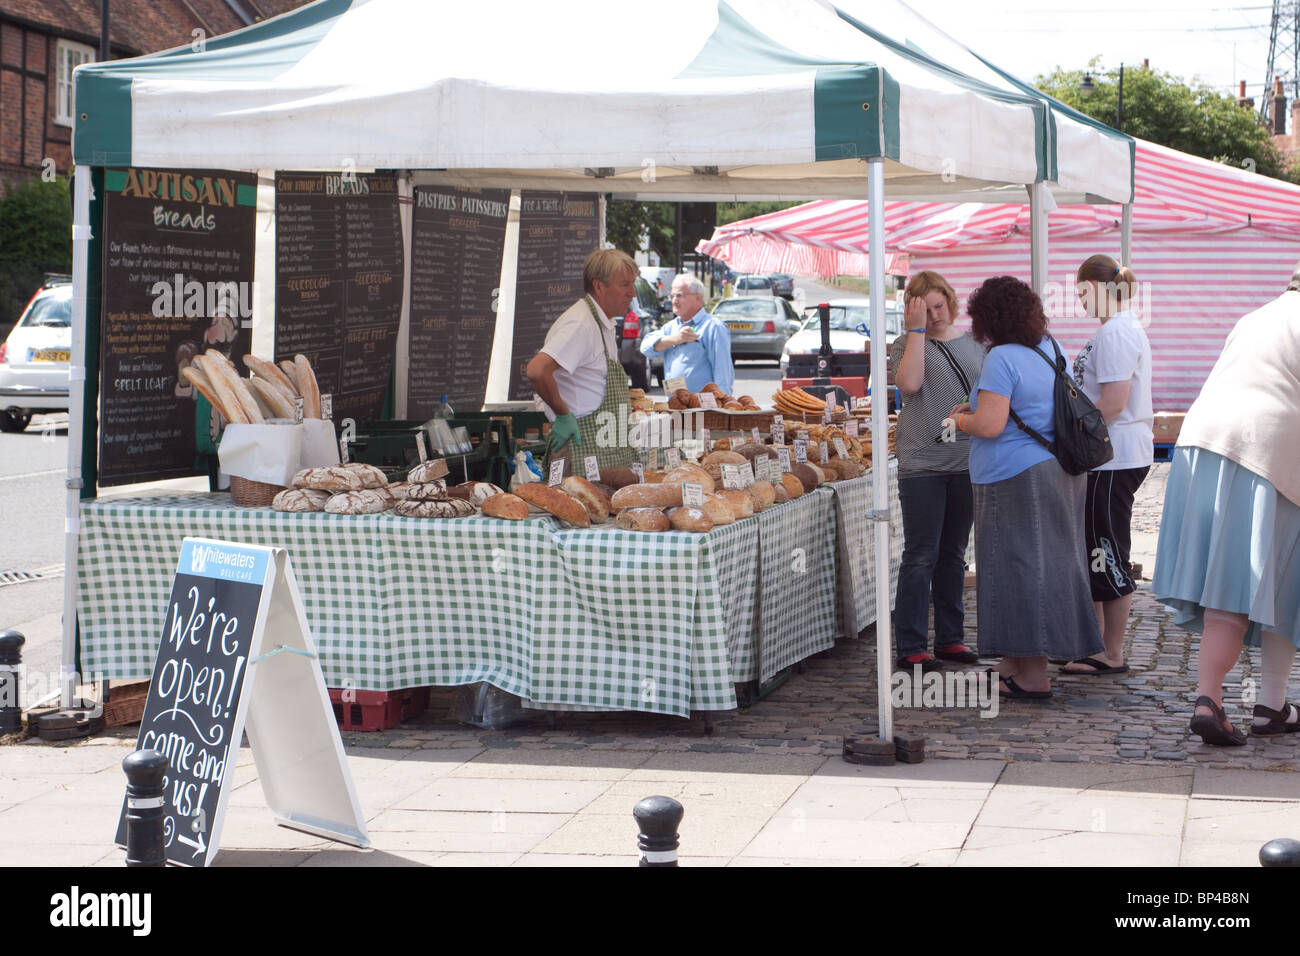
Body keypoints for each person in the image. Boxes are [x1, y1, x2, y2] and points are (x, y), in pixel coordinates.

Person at [1152, 265, 1300, 745]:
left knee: (1235, 583)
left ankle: (1224, 698)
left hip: (1202, 440)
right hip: (1266, 447)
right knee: (1276, 581)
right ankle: (1255, 702)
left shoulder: (1256, 316)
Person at [950, 276, 1103, 699]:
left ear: (988, 320)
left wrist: (961, 418)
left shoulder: (1001, 358)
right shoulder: (1049, 348)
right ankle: (1013, 662)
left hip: (1013, 475)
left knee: (1019, 568)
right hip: (1056, 469)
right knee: (1041, 563)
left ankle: (1033, 674)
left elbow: (991, 424)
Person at [887, 271, 985, 671]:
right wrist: (914, 332)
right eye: (924, 309)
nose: (934, 315)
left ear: (950, 298)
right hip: (922, 463)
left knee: (953, 555)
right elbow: (909, 385)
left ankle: (950, 638)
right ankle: (910, 644)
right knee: (920, 554)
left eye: (938, 305)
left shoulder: (977, 343)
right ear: (912, 309)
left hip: (966, 461)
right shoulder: (904, 344)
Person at [1062, 255, 1154, 676]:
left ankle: (1112, 651)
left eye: (1082, 292)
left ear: (1098, 288)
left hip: (1111, 457)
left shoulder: (1117, 332)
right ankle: (1098, 645)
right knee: (1097, 546)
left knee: (1106, 548)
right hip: (1108, 455)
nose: (1080, 301)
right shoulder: (1116, 328)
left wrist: (1072, 434)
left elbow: (1113, 403)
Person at [525, 249, 642, 472]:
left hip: (602, 447)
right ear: (599, 286)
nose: (632, 293)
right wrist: (562, 414)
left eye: (633, 284)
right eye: (625, 284)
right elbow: (537, 370)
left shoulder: (601, 322)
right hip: (580, 446)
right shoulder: (581, 324)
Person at [639, 274, 735, 396]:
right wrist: (676, 339)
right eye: (672, 296)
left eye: (679, 295)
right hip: (676, 404)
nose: (674, 300)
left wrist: (722, 406)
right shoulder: (671, 327)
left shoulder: (713, 327)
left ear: (698, 298)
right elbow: (645, 349)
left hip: (702, 407)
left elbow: (723, 372)